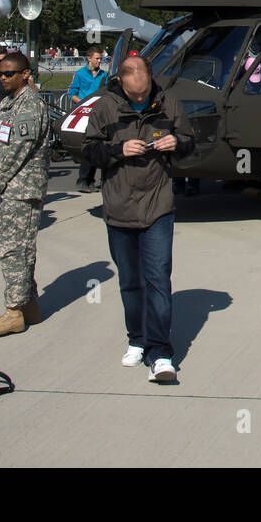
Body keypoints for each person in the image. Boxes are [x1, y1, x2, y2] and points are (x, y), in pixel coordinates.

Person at [83, 56, 195, 383]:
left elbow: (191, 145)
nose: (140, 98)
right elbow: (88, 151)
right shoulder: (105, 106)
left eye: (144, 92)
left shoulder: (168, 103)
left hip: (158, 204)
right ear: (121, 82)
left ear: (149, 79)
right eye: (134, 95)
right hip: (119, 207)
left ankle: (161, 354)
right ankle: (137, 339)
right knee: (130, 281)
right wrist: (118, 149)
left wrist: (177, 143)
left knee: (158, 278)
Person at [0, 52, 53, 336]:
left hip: (21, 188)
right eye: (0, 73)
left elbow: (15, 151)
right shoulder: (10, 102)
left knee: (13, 249)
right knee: (22, 249)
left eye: (9, 73)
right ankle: (28, 305)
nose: (3, 77)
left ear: (25, 74)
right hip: (14, 188)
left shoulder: (28, 106)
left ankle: (13, 311)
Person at [69, 45, 108, 192]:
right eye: (97, 58)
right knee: (89, 146)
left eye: (101, 58)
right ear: (89, 58)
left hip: (98, 114)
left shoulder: (103, 75)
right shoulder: (80, 74)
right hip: (85, 113)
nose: (99, 61)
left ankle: (92, 180)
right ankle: (84, 180)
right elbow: (72, 93)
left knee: (98, 146)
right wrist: (83, 103)